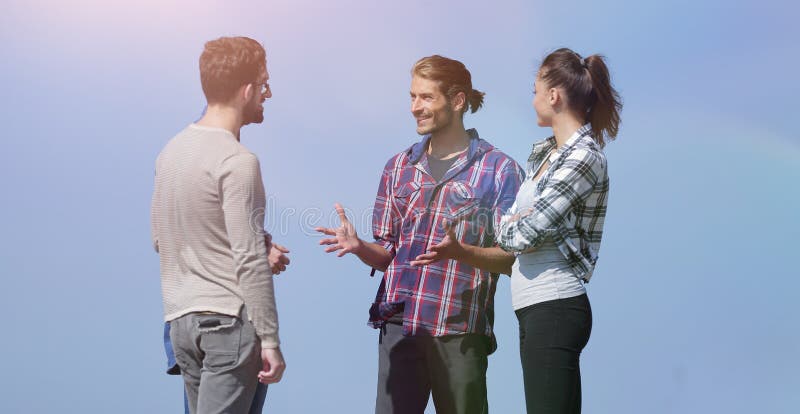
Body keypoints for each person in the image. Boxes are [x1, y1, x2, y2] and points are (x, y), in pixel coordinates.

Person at [316, 55, 524, 414]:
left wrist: (462, 252)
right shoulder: (398, 167)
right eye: (412, 97)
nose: (415, 107)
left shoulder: (500, 170)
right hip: (399, 325)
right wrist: (359, 247)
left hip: (459, 329)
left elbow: (511, 260)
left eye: (426, 97)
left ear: (457, 101)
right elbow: (388, 253)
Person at [151, 36, 289, 414]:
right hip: (229, 324)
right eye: (264, 84)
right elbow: (247, 259)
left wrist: (259, 243)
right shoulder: (238, 160)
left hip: (182, 324)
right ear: (246, 90)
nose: (268, 93)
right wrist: (271, 340)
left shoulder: (170, 153)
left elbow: (161, 239)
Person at [496, 48, 623, 413]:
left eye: (536, 89)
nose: (533, 99)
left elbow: (524, 233)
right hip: (533, 309)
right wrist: (512, 221)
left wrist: (505, 223)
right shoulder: (545, 155)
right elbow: (521, 224)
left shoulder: (584, 156)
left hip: (554, 305)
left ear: (553, 95)